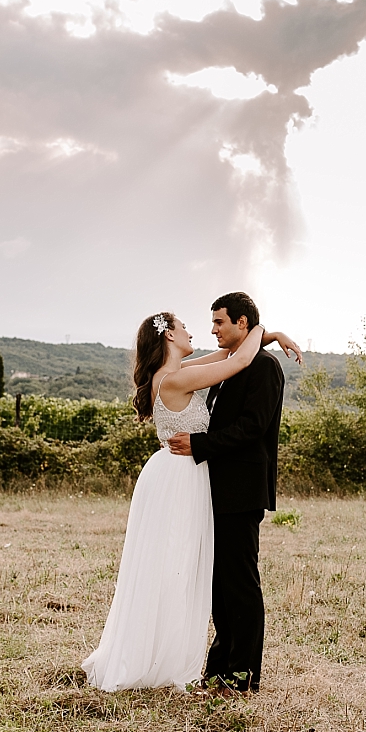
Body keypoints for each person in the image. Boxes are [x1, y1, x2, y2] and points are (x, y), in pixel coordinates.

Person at [82, 305, 301, 691]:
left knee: (202, 572)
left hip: (186, 477)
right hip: (183, 479)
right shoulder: (174, 380)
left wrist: (267, 335)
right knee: (182, 570)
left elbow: (232, 353)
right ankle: (184, 661)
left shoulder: (178, 374)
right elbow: (240, 357)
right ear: (168, 335)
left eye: (217, 322)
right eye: (184, 327)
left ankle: (218, 666)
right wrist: (269, 330)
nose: (197, 331)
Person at [167, 292, 286, 693]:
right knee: (220, 584)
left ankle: (243, 675)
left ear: (242, 324)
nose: (213, 329)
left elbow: (252, 428)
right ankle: (218, 669)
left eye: (219, 322)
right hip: (215, 491)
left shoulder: (264, 368)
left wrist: (199, 445)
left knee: (241, 582)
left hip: (242, 489)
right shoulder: (229, 367)